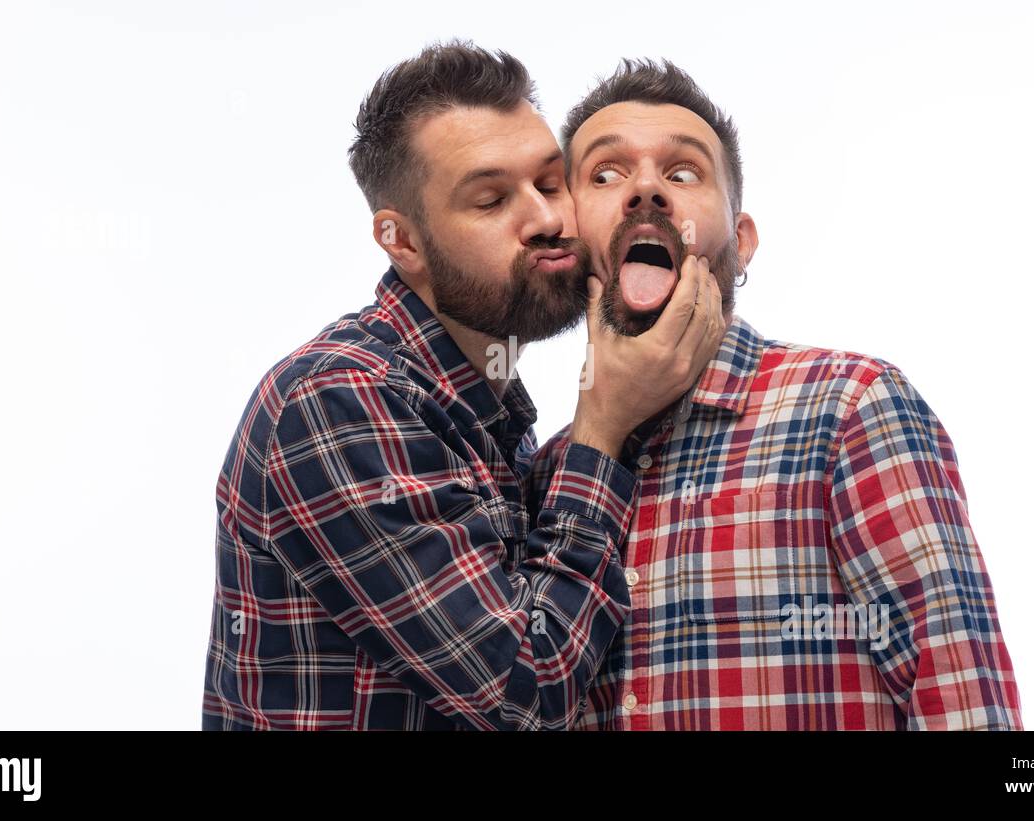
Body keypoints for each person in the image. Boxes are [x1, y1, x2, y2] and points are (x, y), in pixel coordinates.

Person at [201, 43, 725, 730]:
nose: (546, 219)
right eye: (491, 199)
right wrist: (603, 428)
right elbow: (525, 692)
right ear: (404, 242)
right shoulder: (340, 400)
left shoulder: (488, 408)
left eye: (550, 180)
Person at [524, 59, 1023, 730]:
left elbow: (960, 696)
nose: (646, 189)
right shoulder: (547, 480)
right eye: (606, 175)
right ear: (570, 236)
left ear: (742, 240)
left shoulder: (850, 408)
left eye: (683, 172)